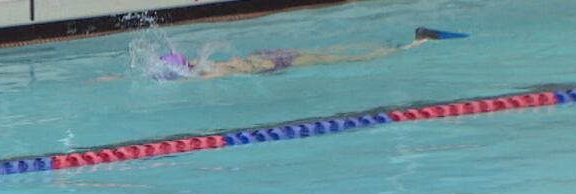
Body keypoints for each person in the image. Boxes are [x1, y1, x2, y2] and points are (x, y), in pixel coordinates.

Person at [147, 27, 466, 81]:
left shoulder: (207, 75)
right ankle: (396, 46)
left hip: (274, 62)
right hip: (270, 56)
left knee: (348, 60)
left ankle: (416, 45)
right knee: (334, 54)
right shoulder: (208, 66)